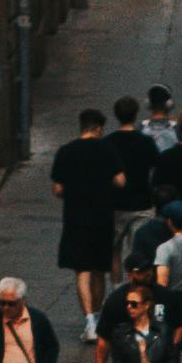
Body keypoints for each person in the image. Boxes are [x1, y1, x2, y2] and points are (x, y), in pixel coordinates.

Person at [50, 105, 129, 328]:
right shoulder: (107, 149)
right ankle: (97, 313)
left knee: (82, 270)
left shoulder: (66, 151)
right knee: (99, 269)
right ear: (99, 129)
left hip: (75, 216)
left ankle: (89, 321)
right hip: (102, 215)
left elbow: (57, 189)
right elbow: (121, 181)